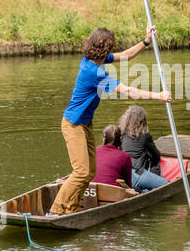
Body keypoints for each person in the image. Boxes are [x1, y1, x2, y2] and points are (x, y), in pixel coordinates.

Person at [47, 26, 170, 216]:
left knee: (89, 172)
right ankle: (55, 211)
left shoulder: (98, 61)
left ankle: (70, 209)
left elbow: (126, 56)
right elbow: (128, 91)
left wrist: (146, 41)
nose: (112, 50)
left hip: (85, 123)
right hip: (73, 125)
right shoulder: (93, 72)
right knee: (81, 171)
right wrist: (159, 96)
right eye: (110, 46)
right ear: (104, 47)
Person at [118, 105, 171, 191]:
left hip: (123, 173)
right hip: (137, 173)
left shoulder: (120, 134)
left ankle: (143, 189)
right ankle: (151, 186)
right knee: (169, 185)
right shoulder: (145, 136)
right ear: (142, 121)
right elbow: (156, 155)